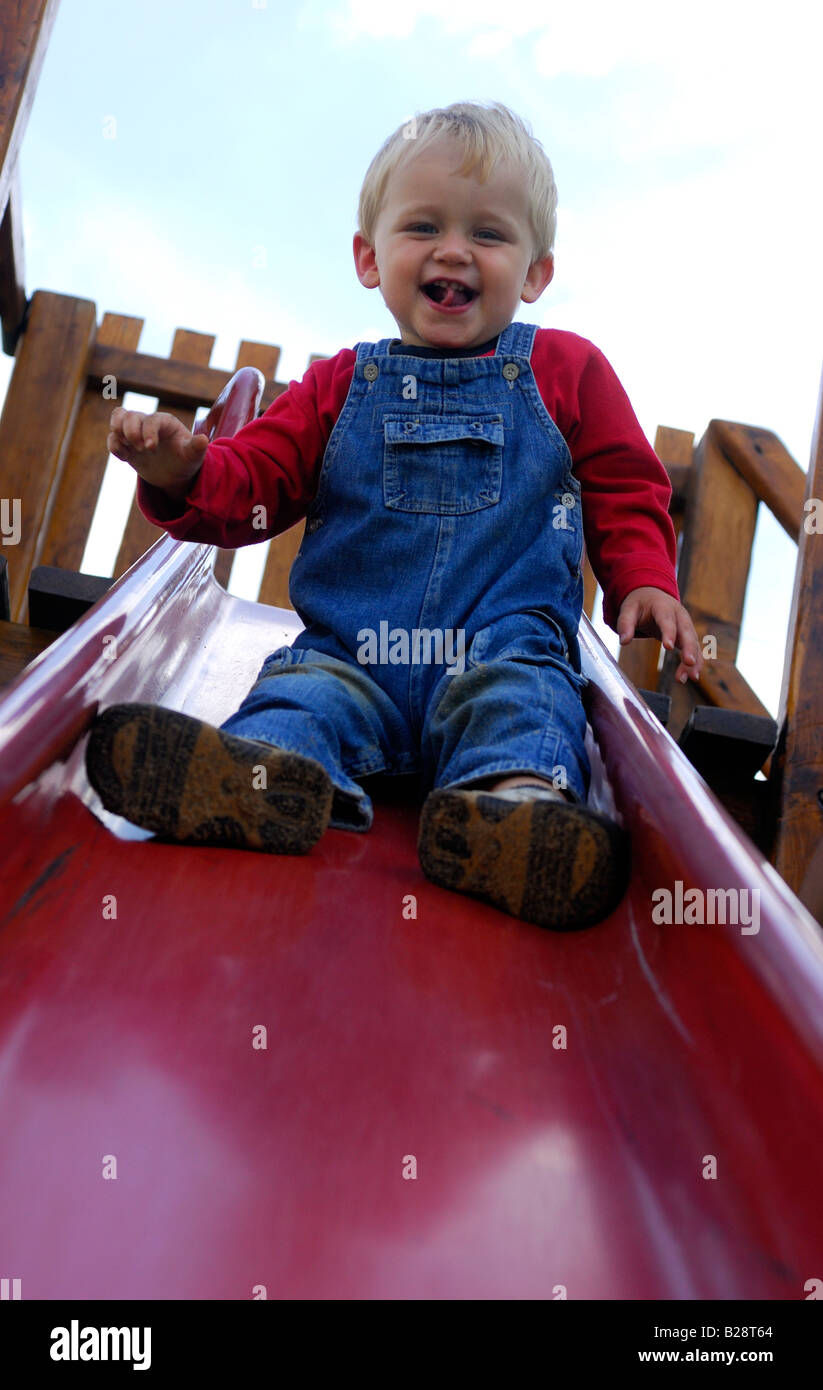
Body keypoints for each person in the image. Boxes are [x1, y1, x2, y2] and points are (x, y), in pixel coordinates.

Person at [86, 101, 702, 931]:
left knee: (524, 706)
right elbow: (258, 476)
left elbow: (624, 480)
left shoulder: (565, 371)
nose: (453, 250)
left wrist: (644, 577)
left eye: (487, 234)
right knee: (300, 697)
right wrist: (183, 469)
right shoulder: (341, 386)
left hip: (500, 645)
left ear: (533, 274)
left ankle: (515, 814)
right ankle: (261, 780)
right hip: (351, 652)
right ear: (370, 259)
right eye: (423, 227)